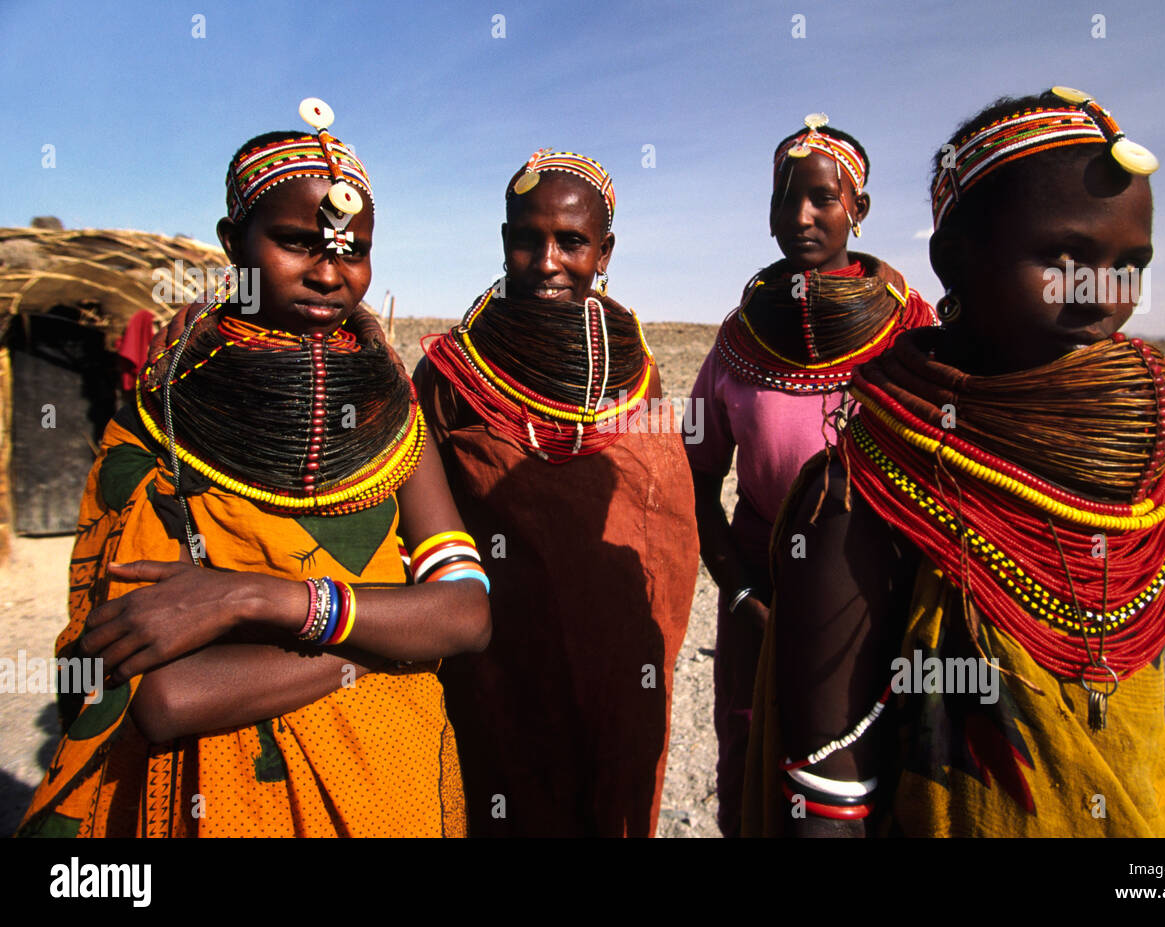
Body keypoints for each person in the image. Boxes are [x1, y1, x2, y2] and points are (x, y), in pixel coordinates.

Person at [17, 99, 489, 838]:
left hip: (395, 784)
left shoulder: (387, 417)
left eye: (352, 249)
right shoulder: (164, 419)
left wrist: (253, 599)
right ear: (234, 243)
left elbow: (467, 613)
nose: (331, 275)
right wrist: (390, 634)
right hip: (227, 797)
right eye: (299, 242)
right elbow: (167, 696)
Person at [744, 88, 1165, 837]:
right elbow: (825, 815)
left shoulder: (1141, 479)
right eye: (1065, 257)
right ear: (955, 258)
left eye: (1130, 266)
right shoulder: (869, 495)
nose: (1102, 297)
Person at [413, 148, 698, 837]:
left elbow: (655, 521)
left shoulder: (637, 372)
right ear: (505, 241)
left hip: (613, 652)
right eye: (525, 239)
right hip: (501, 657)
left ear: (604, 251)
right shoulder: (453, 371)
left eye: (570, 241)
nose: (546, 261)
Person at [686, 114, 935, 835]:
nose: (800, 216)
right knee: (752, 747)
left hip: (878, 584)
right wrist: (737, 588)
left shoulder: (910, 331)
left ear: (856, 208)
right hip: (759, 582)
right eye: (785, 200)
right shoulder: (740, 340)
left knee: (876, 758)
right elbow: (699, 480)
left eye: (822, 199)